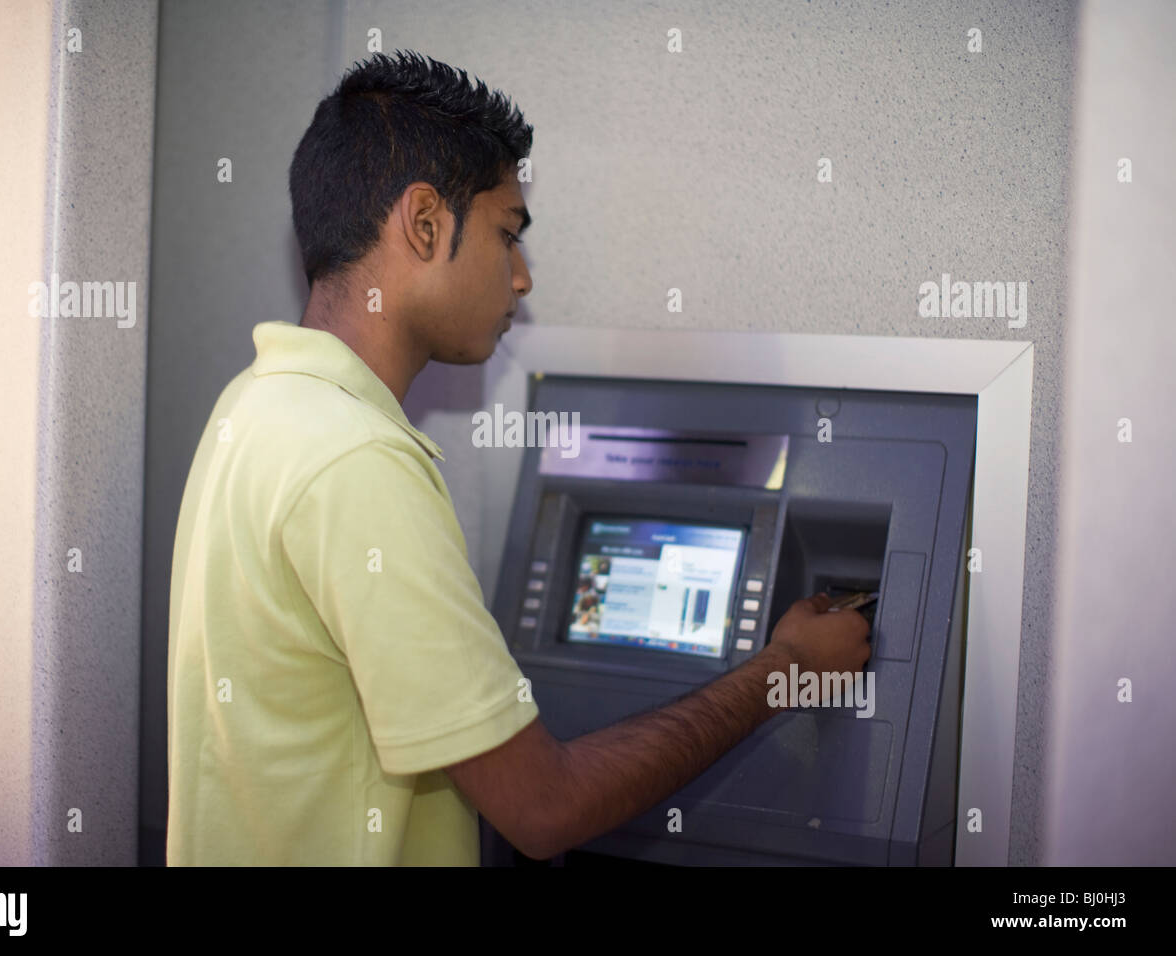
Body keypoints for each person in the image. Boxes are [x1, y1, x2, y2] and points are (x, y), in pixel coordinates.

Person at [165, 50, 870, 867]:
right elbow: (545, 807)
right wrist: (782, 667)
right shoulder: (358, 459)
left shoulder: (254, 406)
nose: (524, 278)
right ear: (424, 224)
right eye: (508, 235)